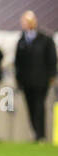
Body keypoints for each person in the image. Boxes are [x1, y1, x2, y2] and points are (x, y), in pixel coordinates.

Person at [14, 11, 56, 142]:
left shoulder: (46, 39)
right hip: (26, 81)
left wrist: (51, 76)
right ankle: (35, 133)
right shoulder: (21, 40)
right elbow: (18, 62)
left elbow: (52, 59)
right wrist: (18, 79)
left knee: (39, 106)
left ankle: (41, 135)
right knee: (31, 107)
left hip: (41, 81)